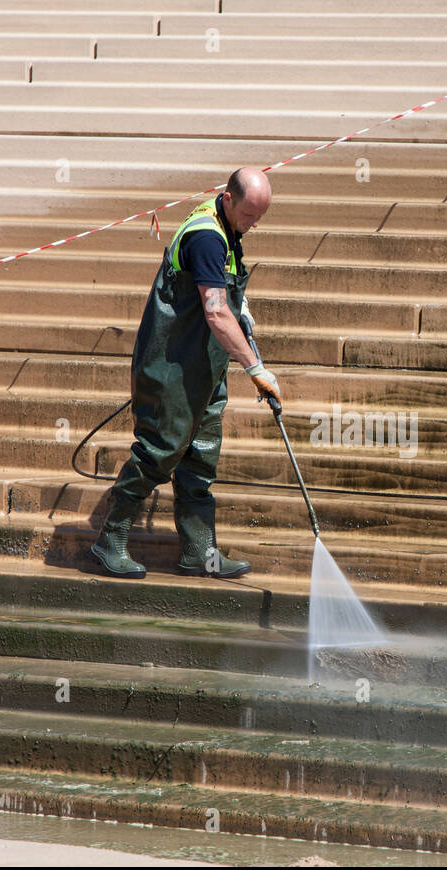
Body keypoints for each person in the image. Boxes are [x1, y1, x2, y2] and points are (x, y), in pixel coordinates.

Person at [89, 167, 282, 580]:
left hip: (205, 365)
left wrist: (240, 305)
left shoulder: (227, 226)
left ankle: (200, 552)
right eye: (249, 214)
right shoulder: (206, 236)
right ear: (228, 199)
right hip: (172, 364)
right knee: (160, 451)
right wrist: (255, 367)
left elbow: (221, 295)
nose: (253, 224)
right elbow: (213, 311)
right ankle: (110, 539)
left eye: (259, 217)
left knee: (201, 457)